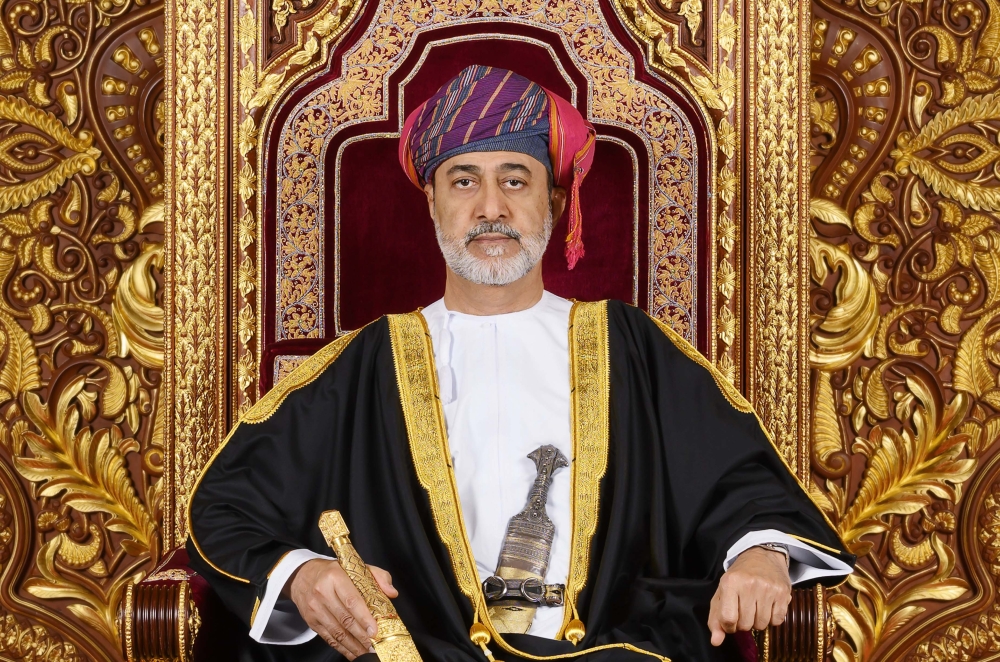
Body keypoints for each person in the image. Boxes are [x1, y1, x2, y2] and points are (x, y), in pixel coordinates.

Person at [187, 65, 854, 662]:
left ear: (554, 202)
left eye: (515, 180)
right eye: (464, 181)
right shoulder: (361, 367)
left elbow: (740, 484)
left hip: (610, 647)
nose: (491, 208)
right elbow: (223, 507)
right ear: (432, 201)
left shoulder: (631, 347)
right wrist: (301, 572)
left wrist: (761, 554)